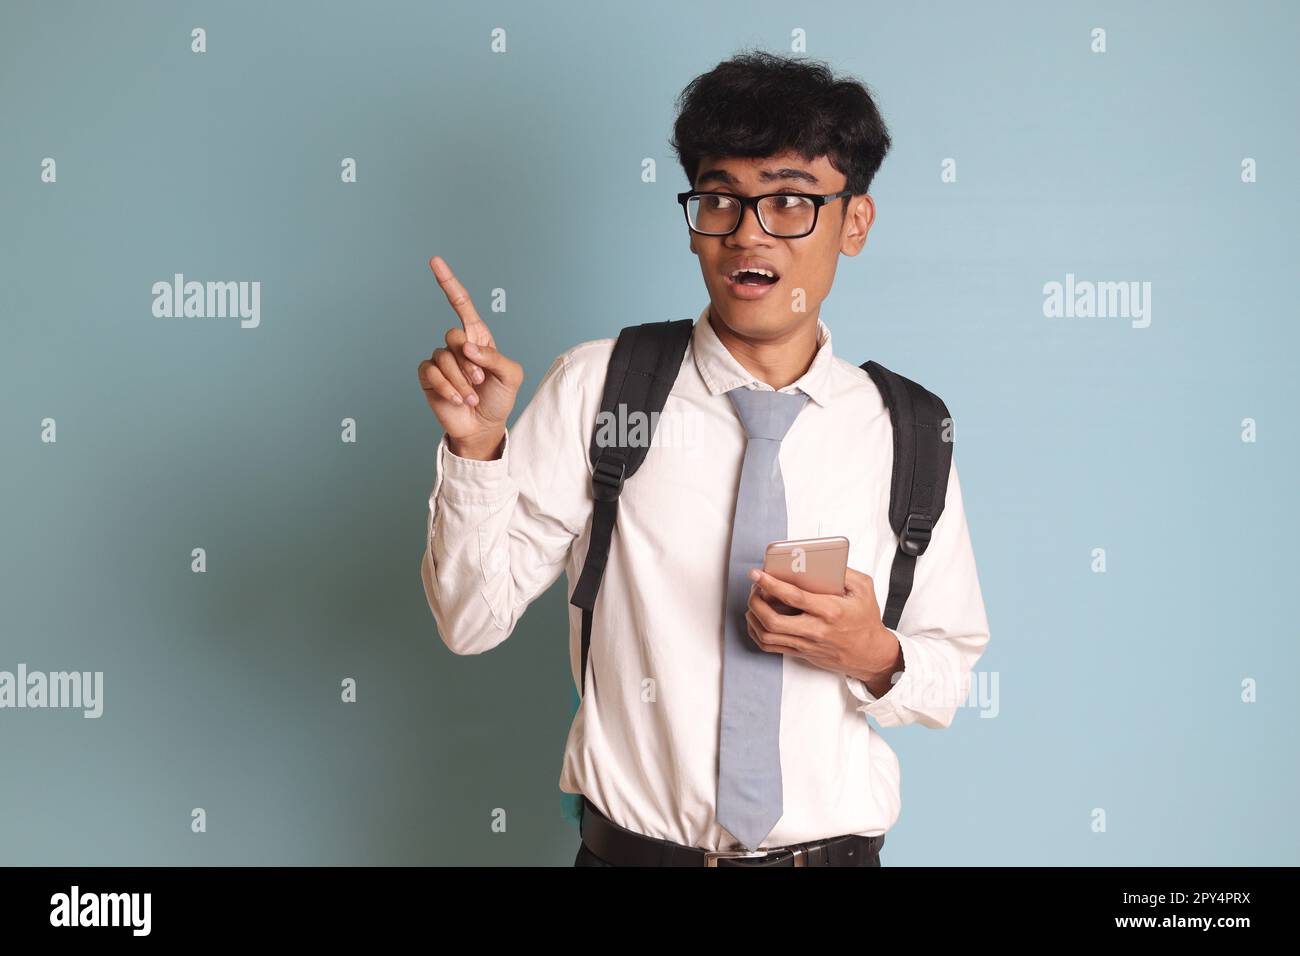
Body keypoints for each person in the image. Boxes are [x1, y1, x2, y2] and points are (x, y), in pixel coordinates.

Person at [418, 50, 990, 867]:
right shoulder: (604, 388)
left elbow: (950, 668)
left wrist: (873, 654)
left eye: (790, 200)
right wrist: (477, 452)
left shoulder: (908, 428)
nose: (748, 232)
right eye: (721, 198)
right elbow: (471, 621)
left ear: (853, 223)